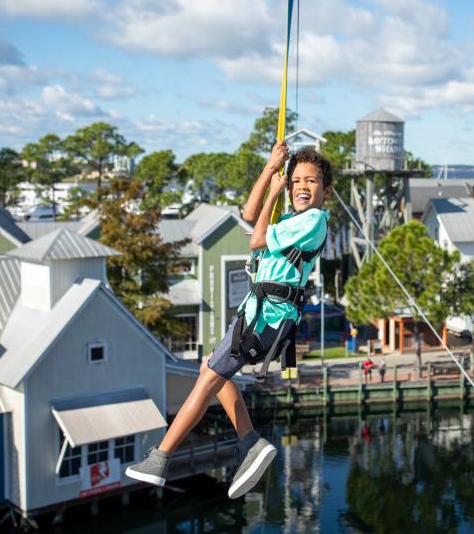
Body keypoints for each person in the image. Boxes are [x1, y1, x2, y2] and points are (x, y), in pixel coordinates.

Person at [125, 142, 333, 499]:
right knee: (212, 372)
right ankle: (250, 442)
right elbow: (251, 214)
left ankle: (161, 458)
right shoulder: (291, 220)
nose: (301, 186)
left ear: (325, 191)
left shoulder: (313, 220)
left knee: (208, 378)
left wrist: (275, 193)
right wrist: (270, 170)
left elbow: (257, 239)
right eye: (296, 180)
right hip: (256, 314)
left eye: (311, 181)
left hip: (267, 318)